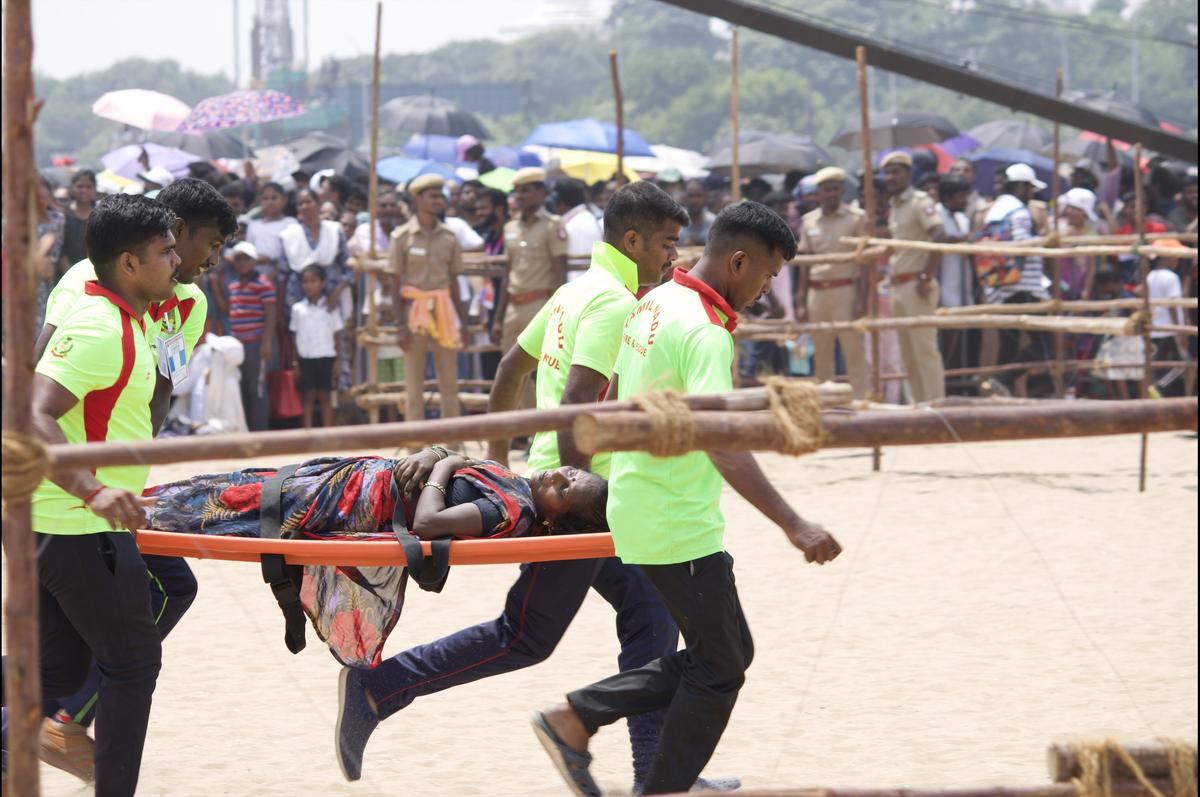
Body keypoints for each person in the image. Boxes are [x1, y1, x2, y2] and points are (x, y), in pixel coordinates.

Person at [332, 183, 749, 793]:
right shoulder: (612, 303)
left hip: (571, 489)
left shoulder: (576, 291)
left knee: (649, 617)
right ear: (631, 241)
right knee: (526, 636)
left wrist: (501, 469)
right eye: (665, 244)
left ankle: (659, 778)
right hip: (578, 501)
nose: (673, 258)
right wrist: (576, 495)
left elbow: (509, 370)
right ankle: (380, 685)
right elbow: (579, 405)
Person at [529, 201, 842, 797]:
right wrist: (793, 522)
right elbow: (719, 443)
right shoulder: (701, 328)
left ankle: (579, 720)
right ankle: (616, 751)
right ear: (740, 261)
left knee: (725, 652)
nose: (766, 290)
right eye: (768, 276)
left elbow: (625, 391)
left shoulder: (654, 302)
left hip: (642, 506)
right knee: (721, 667)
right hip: (677, 522)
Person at [33, 178, 237, 783]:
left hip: (105, 496)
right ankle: (64, 728)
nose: (205, 260)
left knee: (66, 659)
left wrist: (131, 473)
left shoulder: (187, 304)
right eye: (206, 244)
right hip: (70, 504)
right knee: (135, 648)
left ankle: (50, 725)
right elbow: (37, 389)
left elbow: (160, 386)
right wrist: (91, 484)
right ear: (169, 233)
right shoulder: (89, 299)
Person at [0, 194, 181, 797]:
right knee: (132, 663)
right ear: (129, 263)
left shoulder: (122, 319)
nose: (176, 262)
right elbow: (32, 414)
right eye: (166, 251)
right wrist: (92, 489)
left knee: (57, 669)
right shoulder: (102, 328)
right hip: (76, 526)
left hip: (52, 524)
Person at [390, 174, 470, 423]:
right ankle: (415, 441)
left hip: (444, 312)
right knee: (413, 383)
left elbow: (455, 282)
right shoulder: (401, 237)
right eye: (432, 196)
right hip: (413, 313)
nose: (438, 201)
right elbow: (394, 282)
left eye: (440, 196)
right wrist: (399, 326)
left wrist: (464, 323)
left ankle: (453, 440)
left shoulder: (449, 236)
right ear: (417, 199)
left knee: (449, 382)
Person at [491, 167, 569, 408]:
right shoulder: (510, 228)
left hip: (541, 304)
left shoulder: (552, 226)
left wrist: (561, 312)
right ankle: (525, 426)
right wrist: (498, 316)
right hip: (514, 305)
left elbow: (560, 273)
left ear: (541, 192)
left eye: (526, 190)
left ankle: (540, 426)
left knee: (545, 368)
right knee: (511, 368)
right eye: (517, 191)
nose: (520, 196)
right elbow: (507, 275)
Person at [795, 166, 870, 398]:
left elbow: (865, 262)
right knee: (821, 351)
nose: (831, 194)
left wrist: (862, 299)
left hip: (845, 289)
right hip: (816, 293)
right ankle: (826, 400)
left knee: (852, 350)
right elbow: (805, 262)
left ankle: (860, 399)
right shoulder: (809, 222)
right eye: (826, 190)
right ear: (818, 193)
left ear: (842, 190)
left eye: (835, 189)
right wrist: (800, 299)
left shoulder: (857, 218)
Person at [978, 163, 1053, 395]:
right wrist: (1045, 239)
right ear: (1021, 187)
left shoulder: (993, 211)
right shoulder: (1019, 211)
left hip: (999, 287)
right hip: (1023, 286)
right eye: (1030, 188)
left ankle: (1001, 388)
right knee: (1045, 343)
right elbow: (1023, 245)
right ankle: (1002, 379)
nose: (1032, 194)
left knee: (1008, 346)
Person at [882, 150, 947, 403]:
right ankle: (918, 406)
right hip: (899, 285)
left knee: (924, 350)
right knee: (907, 352)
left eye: (896, 172)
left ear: (909, 175)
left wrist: (926, 276)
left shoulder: (920, 201)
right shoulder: (895, 205)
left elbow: (939, 235)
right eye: (887, 173)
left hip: (917, 284)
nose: (890, 177)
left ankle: (936, 404)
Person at [225, 241, 277, 431]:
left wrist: (267, 342)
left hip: (256, 344)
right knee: (241, 389)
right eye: (238, 259)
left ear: (254, 261)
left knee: (257, 390)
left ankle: (260, 432)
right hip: (237, 347)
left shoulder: (263, 283)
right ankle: (246, 431)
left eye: (246, 259)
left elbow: (271, 314)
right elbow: (229, 310)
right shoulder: (233, 286)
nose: (242, 263)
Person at [290, 264, 344, 428]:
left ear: (322, 283)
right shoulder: (298, 309)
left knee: (325, 397)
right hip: (305, 358)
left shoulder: (330, 307)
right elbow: (294, 336)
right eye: (305, 282)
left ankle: (328, 434)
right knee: (308, 397)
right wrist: (295, 362)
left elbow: (337, 335)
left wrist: (337, 361)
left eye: (313, 281)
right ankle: (308, 435)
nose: (309, 285)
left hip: (326, 357)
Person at [1057, 187, 1105, 300]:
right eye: (1070, 208)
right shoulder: (1057, 228)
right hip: (1059, 283)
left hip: (1080, 284)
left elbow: (1091, 267)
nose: (1071, 212)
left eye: (1076, 209)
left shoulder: (1091, 234)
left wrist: (1086, 290)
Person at [244, 182, 298, 280]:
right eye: (265, 198)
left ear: (284, 200)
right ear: (260, 201)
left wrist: (271, 260)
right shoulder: (253, 225)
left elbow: (292, 252)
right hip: (257, 277)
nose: (270, 202)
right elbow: (249, 251)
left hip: (283, 276)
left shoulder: (291, 223)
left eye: (274, 198)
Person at [554, 177, 604, 279]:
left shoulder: (579, 223)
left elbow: (579, 269)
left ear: (562, 203)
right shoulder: (583, 219)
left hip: (579, 285)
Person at [35, 173, 67, 330]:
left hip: (44, 280)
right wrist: (42, 248)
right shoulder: (14, 221)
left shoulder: (57, 219)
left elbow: (50, 262)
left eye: (44, 194)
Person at [61, 169, 97, 267]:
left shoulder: (99, 215)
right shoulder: (63, 214)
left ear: (94, 189)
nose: (84, 190)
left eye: (89, 187)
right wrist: (69, 273)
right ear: (72, 188)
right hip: (65, 272)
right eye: (80, 186)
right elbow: (61, 248)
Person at [679, 179, 716, 247]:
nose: (695, 200)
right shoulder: (676, 221)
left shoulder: (714, 223)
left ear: (706, 196)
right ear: (684, 197)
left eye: (699, 196)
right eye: (691, 196)